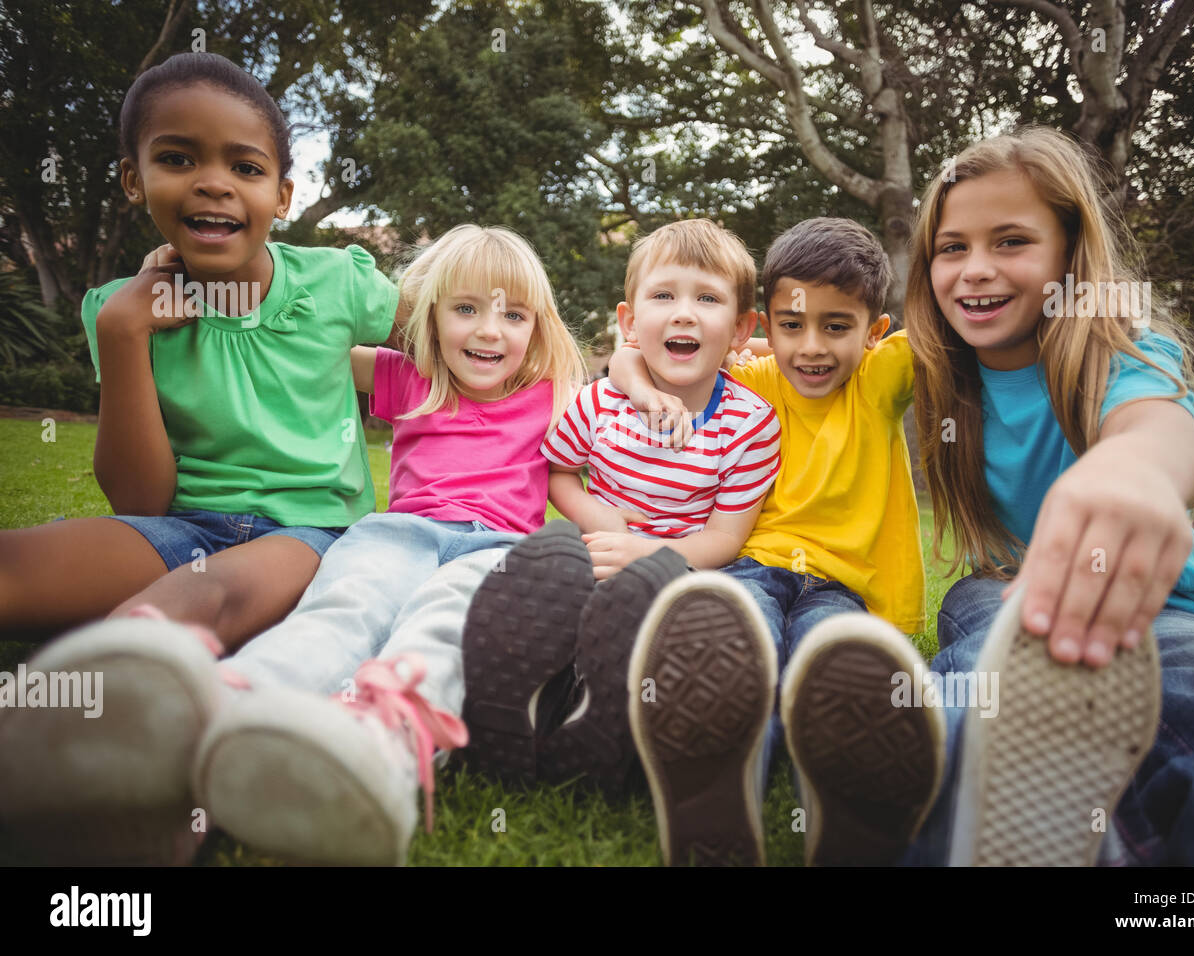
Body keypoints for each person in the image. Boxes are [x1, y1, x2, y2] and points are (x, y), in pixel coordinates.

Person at [0, 222, 586, 866]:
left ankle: (380, 748)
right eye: (466, 309)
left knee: (442, 629)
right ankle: (227, 713)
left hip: (497, 550)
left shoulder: (556, 396)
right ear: (431, 317)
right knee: (342, 610)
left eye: (514, 314)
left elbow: (623, 390)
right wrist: (200, 286)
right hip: (396, 533)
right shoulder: (411, 376)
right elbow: (310, 346)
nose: (487, 331)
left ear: (538, 326)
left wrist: (646, 389)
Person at [901, 126, 1194, 865]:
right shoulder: (929, 366)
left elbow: (1163, 429)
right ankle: (985, 808)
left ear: (1068, 254)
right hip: (1000, 592)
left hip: (1155, 610)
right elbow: (811, 361)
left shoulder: (1123, 343)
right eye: (952, 248)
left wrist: (1135, 470)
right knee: (981, 675)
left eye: (1012, 241)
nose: (975, 269)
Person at [0, 51, 403, 646]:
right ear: (134, 180)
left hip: (308, 536)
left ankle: (95, 700)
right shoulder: (114, 310)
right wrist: (123, 335)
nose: (214, 182)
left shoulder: (339, 281)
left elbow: (451, 344)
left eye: (246, 167)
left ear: (282, 195)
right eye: (176, 158)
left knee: (199, 597)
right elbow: (140, 501)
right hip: (175, 531)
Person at [609, 218, 942, 866]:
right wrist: (645, 390)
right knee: (735, 639)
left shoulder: (878, 382)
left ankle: (831, 775)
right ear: (767, 324)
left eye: (836, 326)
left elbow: (947, 319)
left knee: (827, 660)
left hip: (842, 587)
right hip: (753, 565)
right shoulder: (757, 378)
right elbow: (636, 351)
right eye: (791, 325)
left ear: (875, 332)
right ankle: (721, 780)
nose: (810, 347)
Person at [458, 219, 782, 798]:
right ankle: (528, 710)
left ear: (740, 330)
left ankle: (625, 723)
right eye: (664, 296)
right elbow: (558, 472)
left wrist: (648, 554)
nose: (683, 314)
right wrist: (599, 519)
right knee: (554, 599)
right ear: (629, 322)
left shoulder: (750, 424)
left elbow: (725, 538)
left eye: (706, 299)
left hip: (682, 569)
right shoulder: (601, 402)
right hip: (601, 556)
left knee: (673, 631)